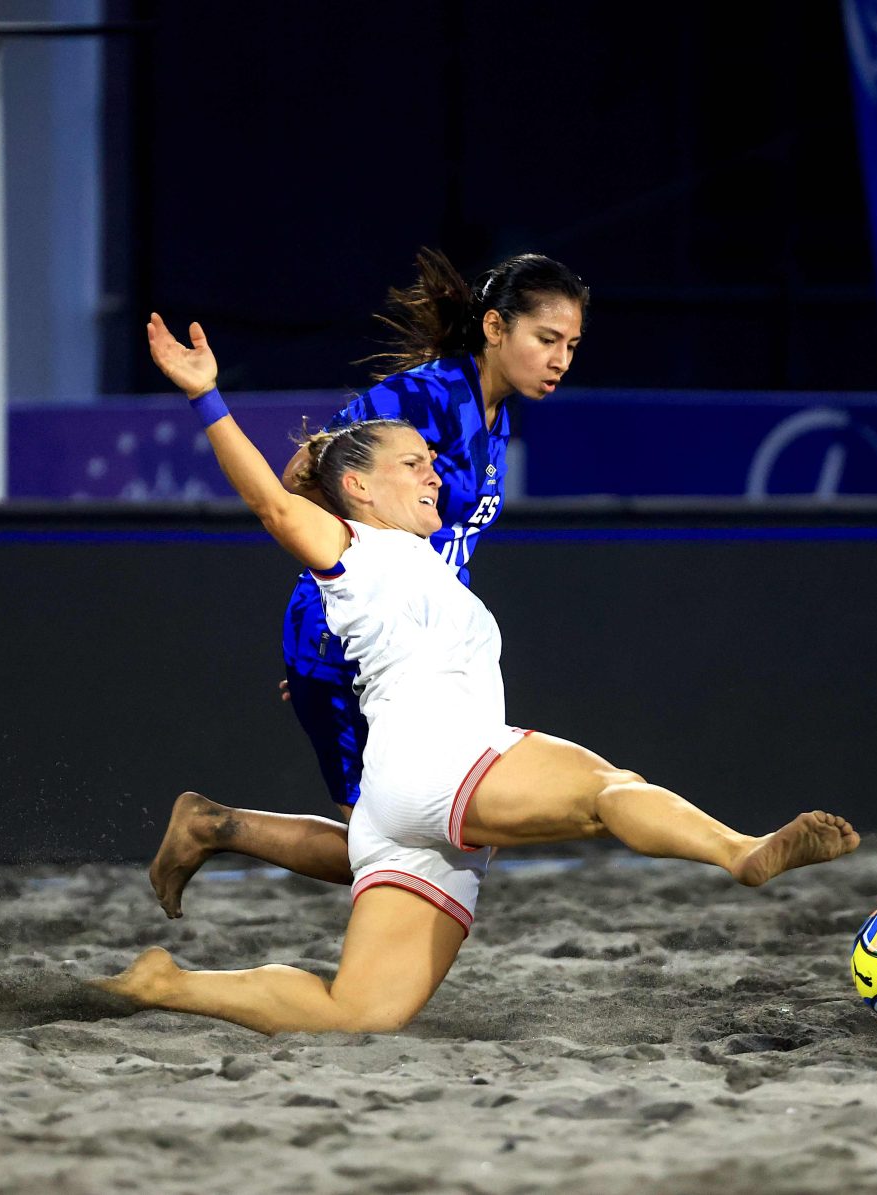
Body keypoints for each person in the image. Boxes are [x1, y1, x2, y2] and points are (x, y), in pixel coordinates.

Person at [98, 314, 860, 1035]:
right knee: (605, 790)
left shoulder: (418, 566)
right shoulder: (350, 547)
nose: (435, 473)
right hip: (443, 762)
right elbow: (269, 500)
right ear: (360, 487)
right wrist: (205, 394)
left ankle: (166, 984)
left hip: (403, 808)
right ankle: (741, 852)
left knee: (357, 1012)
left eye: (433, 460)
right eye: (414, 463)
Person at [147, 249, 575, 919]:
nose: (560, 359)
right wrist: (344, 632)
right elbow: (300, 473)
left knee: (434, 840)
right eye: (546, 339)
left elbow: (440, 546)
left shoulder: (496, 417)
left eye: (571, 345)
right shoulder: (426, 397)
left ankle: (214, 825)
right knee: (404, 848)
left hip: (408, 644)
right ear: (496, 328)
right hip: (362, 632)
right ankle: (210, 826)